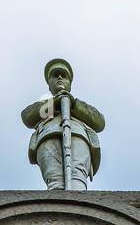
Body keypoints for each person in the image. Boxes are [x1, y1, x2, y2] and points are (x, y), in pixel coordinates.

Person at [21, 58, 105, 191]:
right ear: (49, 84)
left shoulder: (78, 106)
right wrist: (54, 103)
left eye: (64, 76)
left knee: (77, 181)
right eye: (55, 75)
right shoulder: (46, 107)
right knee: (55, 183)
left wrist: (74, 105)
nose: (60, 77)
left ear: (70, 84)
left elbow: (100, 123)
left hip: (79, 136)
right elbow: (28, 117)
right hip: (48, 136)